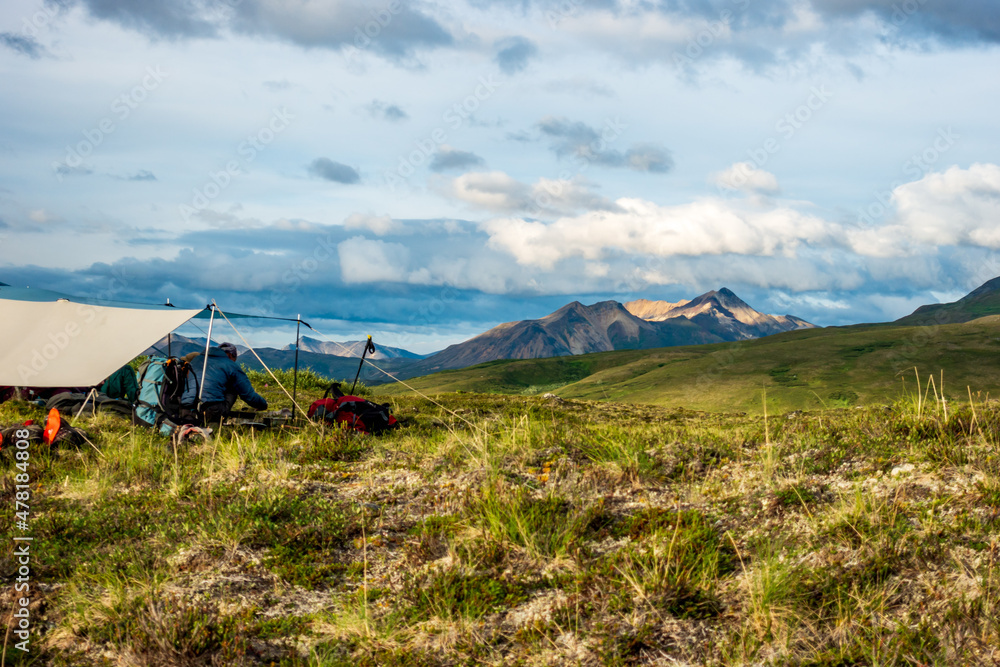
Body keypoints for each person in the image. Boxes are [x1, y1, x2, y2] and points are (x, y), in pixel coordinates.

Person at [181, 342, 267, 425]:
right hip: (211, 411)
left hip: (185, 409)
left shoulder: (196, 360)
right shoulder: (231, 365)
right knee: (233, 387)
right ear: (230, 355)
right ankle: (217, 420)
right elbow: (248, 395)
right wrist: (263, 405)